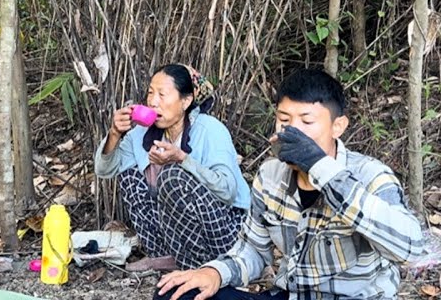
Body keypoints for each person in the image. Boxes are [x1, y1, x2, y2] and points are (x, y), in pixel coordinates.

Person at [155, 68, 427, 300]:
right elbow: (253, 250)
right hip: (290, 294)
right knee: (175, 293)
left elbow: (411, 249)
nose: (291, 131)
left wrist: (321, 168)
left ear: (338, 126)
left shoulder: (371, 175)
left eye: (307, 121)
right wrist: (214, 273)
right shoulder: (271, 175)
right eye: (284, 120)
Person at [96, 64, 250, 271]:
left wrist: (182, 159)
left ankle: (198, 266)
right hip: (178, 239)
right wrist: (115, 133)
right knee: (130, 175)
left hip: (225, 233)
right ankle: (164, 257)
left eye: (162, 94)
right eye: (151, 93)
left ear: (185, 101)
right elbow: (105, 170)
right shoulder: (142, 133)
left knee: (172, 176)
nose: (153, 102)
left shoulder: (210, 130)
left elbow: (228, 192)